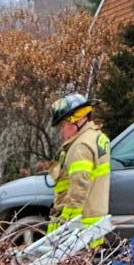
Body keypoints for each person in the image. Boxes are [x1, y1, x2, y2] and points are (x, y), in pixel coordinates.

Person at [49, 93, 110, 235]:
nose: (61, 130)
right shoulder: (98, 138)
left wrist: (67, 225)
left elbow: (79, 188)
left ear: (76, 120)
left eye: (63, 124)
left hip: (79, 230)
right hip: (94, 221)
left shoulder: (80, 146)